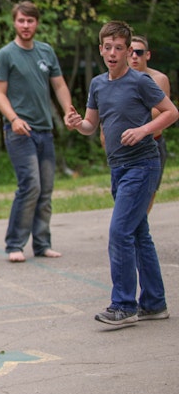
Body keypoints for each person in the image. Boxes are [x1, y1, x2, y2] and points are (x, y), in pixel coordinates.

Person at [67, 20, 177, 326]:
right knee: (139, 234)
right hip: (117, 168)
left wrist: (143, 130)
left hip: (143, 166)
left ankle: (124, 305)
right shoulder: (98, 85)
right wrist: (77, 124)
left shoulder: (141, 82)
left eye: (119, 48)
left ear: (129, 52)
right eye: (108, 47)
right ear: (100, 49)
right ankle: (154, 304)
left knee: (120, 232)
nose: (113, 52)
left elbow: (171, 113)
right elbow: (91, 126)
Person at [0, 1, 75, 263]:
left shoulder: (46, 52)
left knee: (46, 189)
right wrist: (13, 118)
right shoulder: (6, 54)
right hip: (19, 131)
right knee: (31, 186)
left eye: (30, 21)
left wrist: (68, 111)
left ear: (37, 23)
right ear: (14, 23)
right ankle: (14, 244)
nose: (26, 26)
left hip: (45, 130)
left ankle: (42, 243)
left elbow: (59, 86)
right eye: (21, 21)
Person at [128, 35, 171, 213]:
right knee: (127, 193)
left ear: (148, 55)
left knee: (149, 192)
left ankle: (139, 229)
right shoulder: (116, 79)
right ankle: (130, 231)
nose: (135, 56)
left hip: (153, 143)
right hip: (127, 146)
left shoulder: (159, 79)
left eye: (139, 52)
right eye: (131, 52)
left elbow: (163, 113)